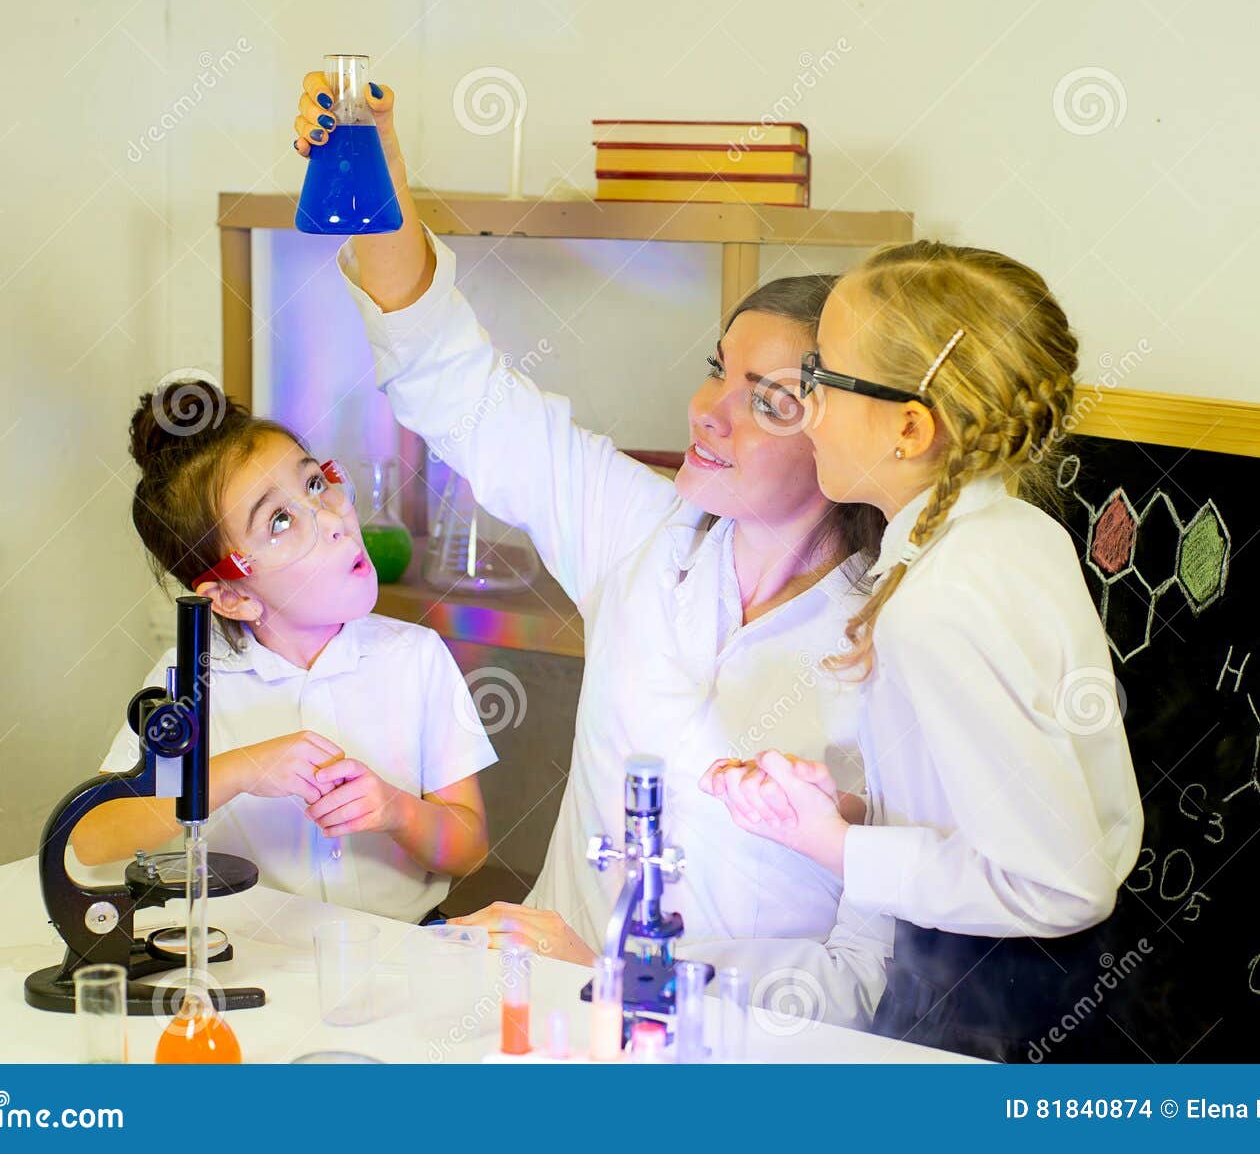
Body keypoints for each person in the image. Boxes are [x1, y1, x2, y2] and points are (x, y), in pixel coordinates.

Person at [294, 78, 892, 1026]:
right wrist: (384, 186)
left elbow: (868, 980)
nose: (707, 412)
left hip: (740, 1058)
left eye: (764, 397)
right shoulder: (649, 533)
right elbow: (458, 387)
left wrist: (616, 972)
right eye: (716, 372)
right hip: (538, 1015)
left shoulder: (895, 640)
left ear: (849, 437)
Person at [702, 240, 1144, 1059]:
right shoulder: (1011, 535)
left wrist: (834, 848)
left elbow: (1059, 881)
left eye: (821, 380)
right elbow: (997, 802)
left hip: (987, 1012)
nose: (806, 407)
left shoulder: (937, 602)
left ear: (910, 427)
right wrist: (851, 811)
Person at [73, 380, 496, 922]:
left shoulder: (416, 656)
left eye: (316, 483)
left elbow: (469, 849)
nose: (334, 520)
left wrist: (398, 812)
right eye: (280, 521)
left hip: (403, 949)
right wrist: (238, 770)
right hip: (254, 963)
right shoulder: (192, 679)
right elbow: (93, 836)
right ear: (230, 595)